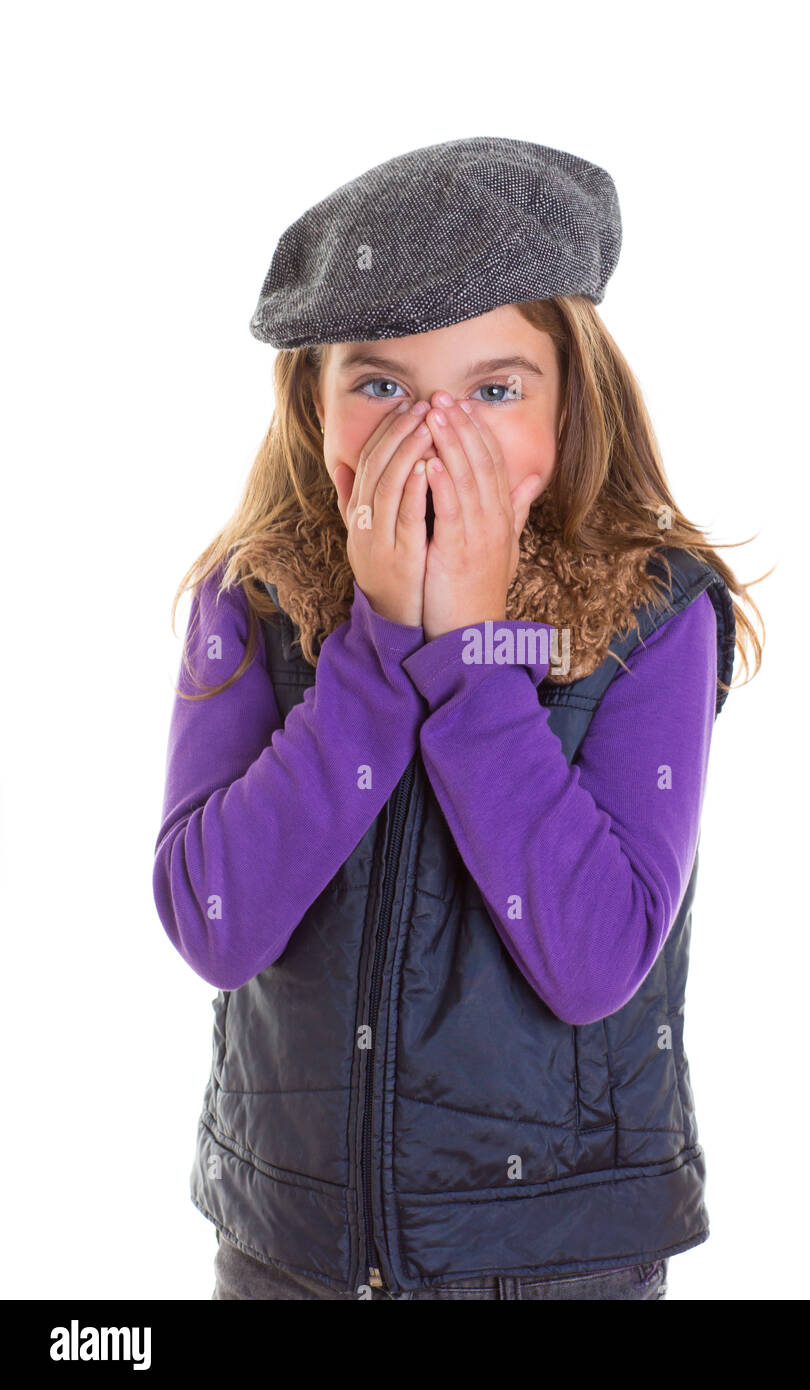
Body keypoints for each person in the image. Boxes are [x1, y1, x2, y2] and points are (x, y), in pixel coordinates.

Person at [152, 136, 765, 1301]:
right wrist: (378, 655)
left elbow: (593, 962)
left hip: (553, 1258)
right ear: (313, 405)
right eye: (381, 386)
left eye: (494, 390)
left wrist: (475, 663)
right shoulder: (254, 597)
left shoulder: (654, 612)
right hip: (293, 1252)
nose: (435, 439)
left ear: (571, 399)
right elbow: (214, 922)